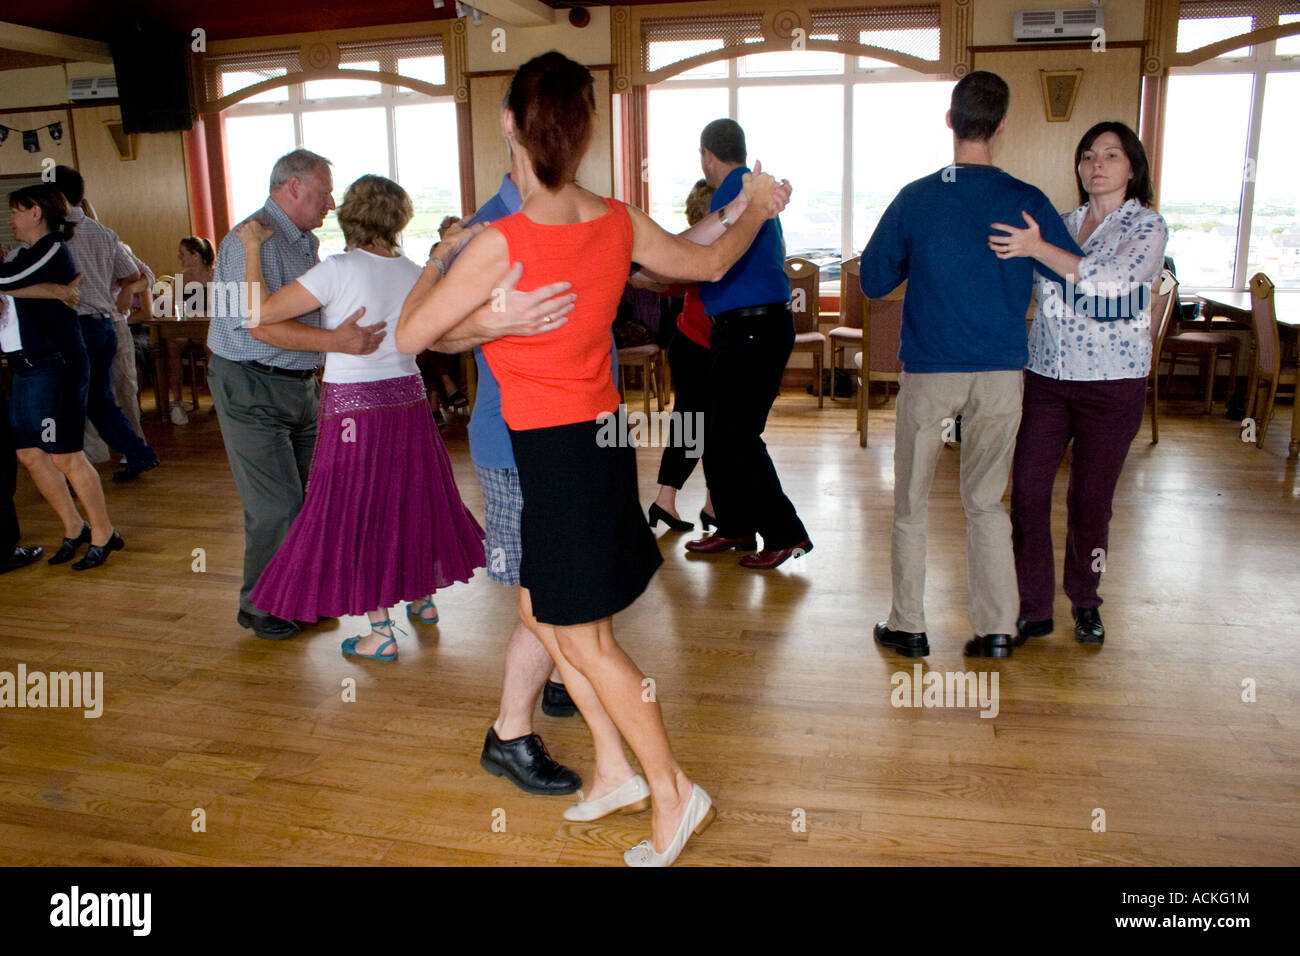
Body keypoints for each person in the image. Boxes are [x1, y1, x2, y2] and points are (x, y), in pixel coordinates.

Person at [396, 51, 779, 866]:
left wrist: (459, 280)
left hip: (560, 458)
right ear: (586, 129)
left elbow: (410, 337)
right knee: (549, 616)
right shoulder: (616, 218)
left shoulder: (500, 242)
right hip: (595, 446)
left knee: (590, 644)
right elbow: (707, 260)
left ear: (508, 124)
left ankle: (674, 791)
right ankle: (613, 772)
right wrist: (757, 207)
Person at [861, 70, 1083, 660]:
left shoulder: (916, 197)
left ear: (950, 120)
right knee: (986, 502)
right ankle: (998, 629)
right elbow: (1073, 273)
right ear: (1003, 124)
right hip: (1003, 371)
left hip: (932, 370)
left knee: (910, 501)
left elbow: (875, 278)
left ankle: (908, 626)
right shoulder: (1027, 201)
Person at [237, 175, 487, 659]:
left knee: (357, 510)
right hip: (410, 403)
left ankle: (382, 633)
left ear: (350, 216)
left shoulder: (337, 269)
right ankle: (423, 600)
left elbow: (258, 313)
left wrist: (250, 249)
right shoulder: (418, 271)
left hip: (355, 411)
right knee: (410, 500)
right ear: (400, 219)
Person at [988, 121, 1168, 647]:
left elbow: (1112, 285)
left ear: (1132, 167)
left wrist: (1040, 251)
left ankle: (1086, 601)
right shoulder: (1061, 224)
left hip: (1112, 386)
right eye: (1089, 155)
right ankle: (1034, 606)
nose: (1097, 165)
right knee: (1026, 493)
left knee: (1091, 502)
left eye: (1110, 155)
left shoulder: (1147, 227)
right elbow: (1036, 286)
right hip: (1046, 378)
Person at [206, 148, 386, 641]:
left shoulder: (302, 242)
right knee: (276, 504)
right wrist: (337, 342)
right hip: (250, 381)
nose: (331, 202)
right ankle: (261, 606)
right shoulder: (247, 242)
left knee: (311, 498)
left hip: (299, 383)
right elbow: (258, 326)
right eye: (324, 191)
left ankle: (299, 596)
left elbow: (306, 312)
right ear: (293, 188)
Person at [684, 118, 812, 569]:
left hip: (751, 329)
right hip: (744, 327)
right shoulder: (746, 190)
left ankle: (785, 533)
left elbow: (703, 259)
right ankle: (735, 526)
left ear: (707, 156)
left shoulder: (733, 193)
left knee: (736, 436)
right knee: (719, 436)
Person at [0, 184, 124, 571]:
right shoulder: (26, 254)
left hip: (57, 365)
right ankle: (74, 526)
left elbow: (3, 282)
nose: (11, 220)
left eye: (16, 211)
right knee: (29, 453)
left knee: (65, 455)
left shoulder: (52, 247)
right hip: (25, 366)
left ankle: (104, 532)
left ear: (37, 213)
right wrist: (49, 290)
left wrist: (44, 289)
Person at [50, 166, 159, 483]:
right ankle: (123, 454)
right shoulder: (96, 232)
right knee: (100, 397)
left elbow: (143, 276)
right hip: (102, 325)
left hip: (96, 325)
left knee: (106, 394)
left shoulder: (61, 235)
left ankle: (121, 456)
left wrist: (126, 290)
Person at [648, 179, 717, 532]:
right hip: (696, 347)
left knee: (702, 429)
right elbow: (667, 281)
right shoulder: (706, 247)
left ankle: (700, 503)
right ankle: (671, 501)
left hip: (699, 346)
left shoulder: (700, 244)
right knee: (696, 429)